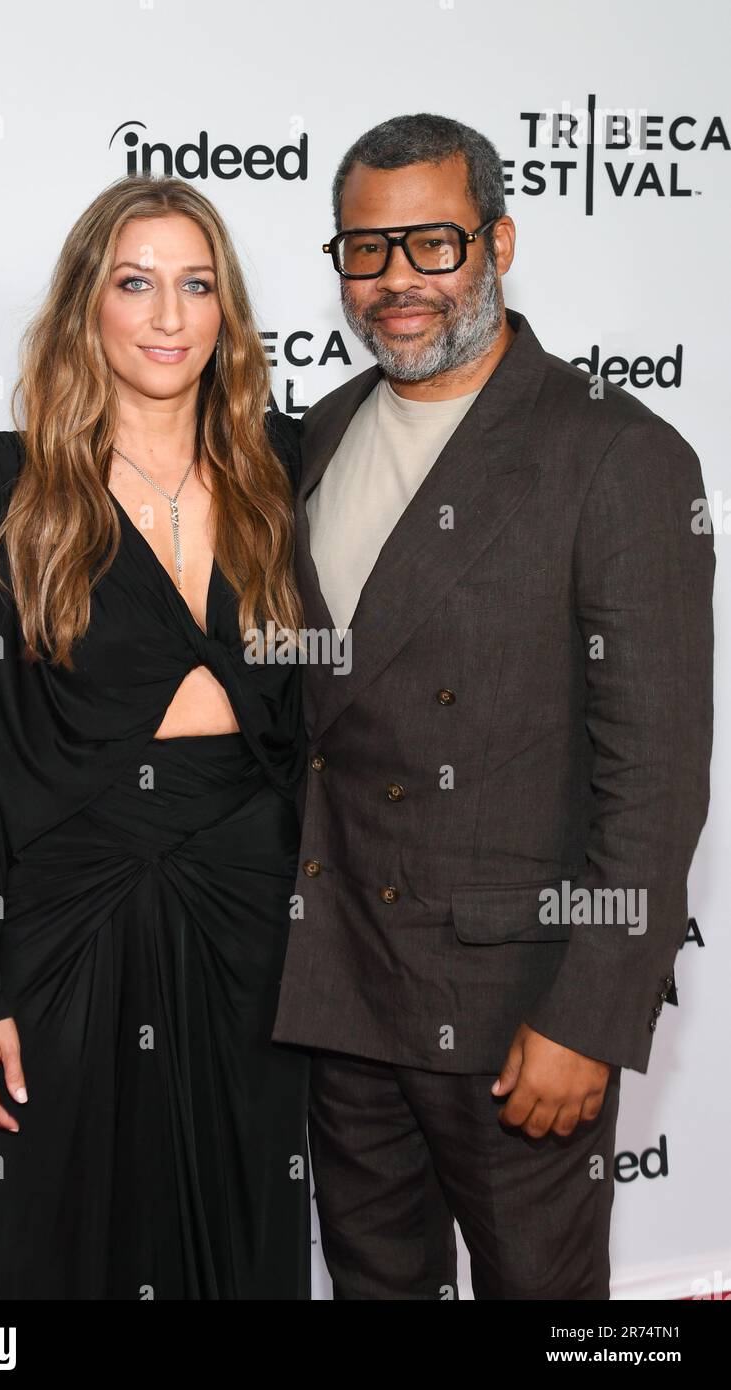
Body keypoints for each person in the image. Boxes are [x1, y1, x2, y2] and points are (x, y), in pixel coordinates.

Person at [271, 112, 714, 1300]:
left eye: (431, 243)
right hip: (340, 990)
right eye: (364, 251)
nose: (396, 281)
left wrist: (590, 1015)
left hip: (516, 1006)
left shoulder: (616, 456)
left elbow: (657, 771)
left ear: (498, 242)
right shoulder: (320, 431)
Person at [0, 174, 311, 1300]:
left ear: (226, 314)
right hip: (68, 919)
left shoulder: (279, 471)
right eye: (135, 283)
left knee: (240, 1231)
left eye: (197, 285)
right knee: (57, 1240)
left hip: (250, 913)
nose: (168, 315)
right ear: (87, 304)